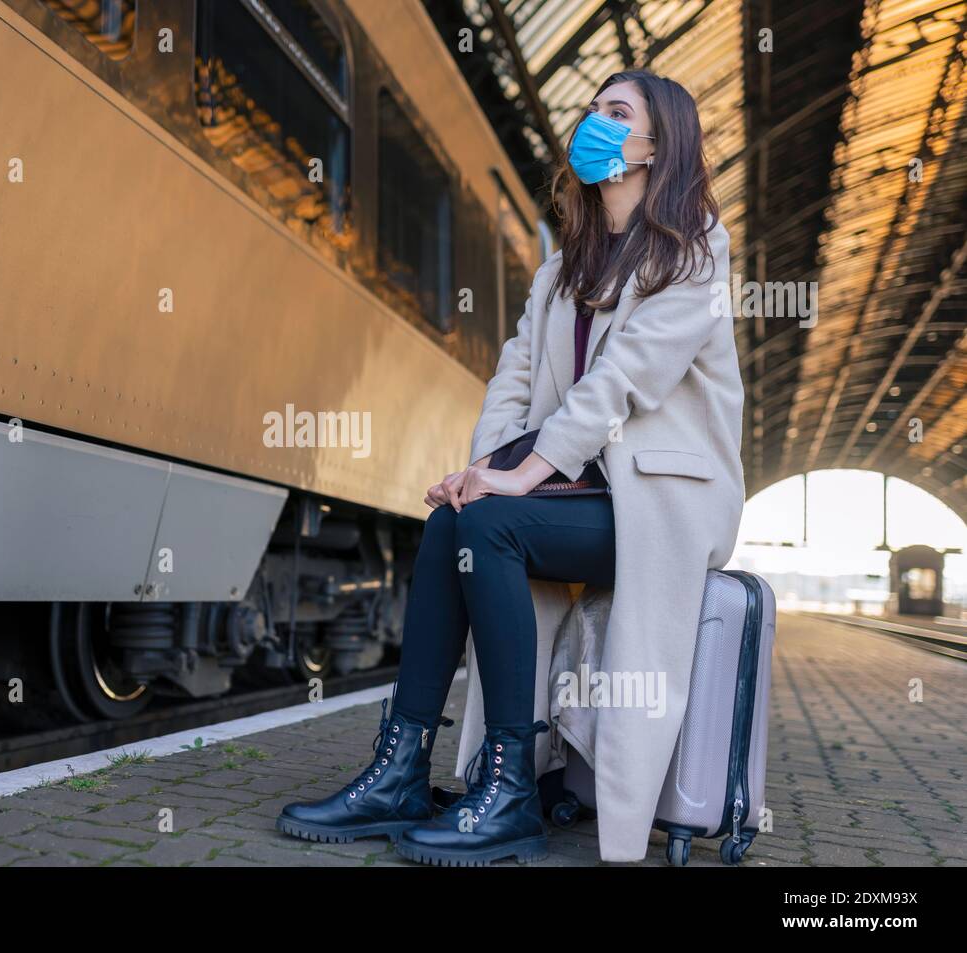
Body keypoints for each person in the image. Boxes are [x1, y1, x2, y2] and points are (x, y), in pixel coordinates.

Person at [277, 68, 745, 866]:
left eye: (616, 113)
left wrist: (523, 477)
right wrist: (483, 468)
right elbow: (515, 378)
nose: (594, 123)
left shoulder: (695, 253)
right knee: (456, 518)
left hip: (661, 503)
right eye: (593, 108)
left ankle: (510, 789)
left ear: (657, 145)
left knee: (489, 524)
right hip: (580, 491)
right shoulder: (562, 271)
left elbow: (625, 379)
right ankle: (400, 769)